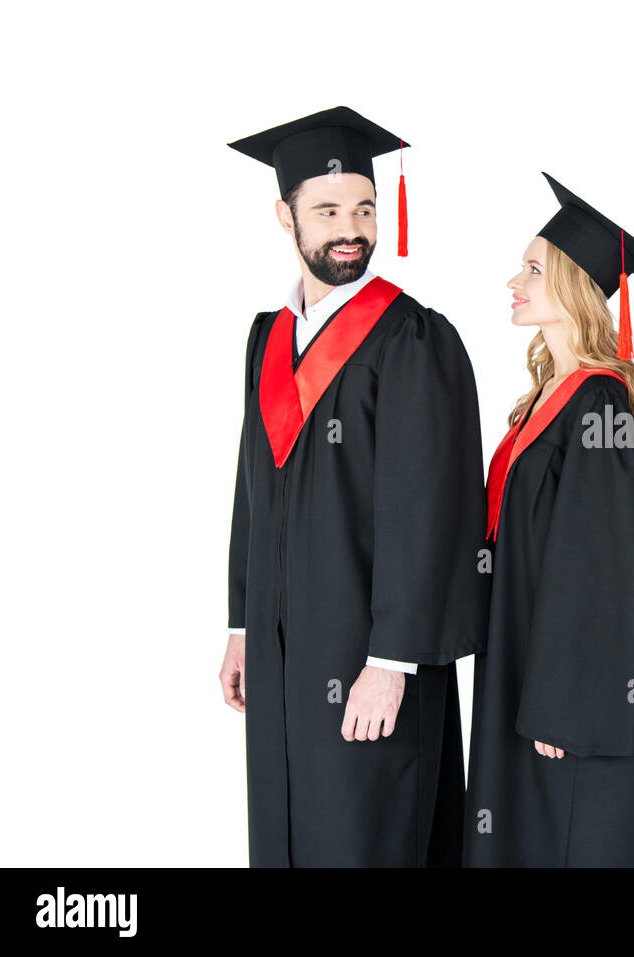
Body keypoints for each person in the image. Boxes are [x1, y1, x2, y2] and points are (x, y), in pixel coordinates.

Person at [219, 107, 488, 867]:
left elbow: (429, 506)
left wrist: (394, 658)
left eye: (364, 209)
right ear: (285, 216)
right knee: (288, 828)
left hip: (370, 658)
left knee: (366, 832)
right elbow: (251, 491)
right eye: (328, 210)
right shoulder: (266, 339)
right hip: (280, 651)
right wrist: (243, 623)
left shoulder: (410, 338)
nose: (351, 229)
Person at [464, 173, 634, 867]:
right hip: (522, 668)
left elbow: (602, 568)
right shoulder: (544, 399)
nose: (513, 281)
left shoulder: (599, 407)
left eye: (532, 268)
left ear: (577, 286)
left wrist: (570, 704)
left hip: (565, 705)